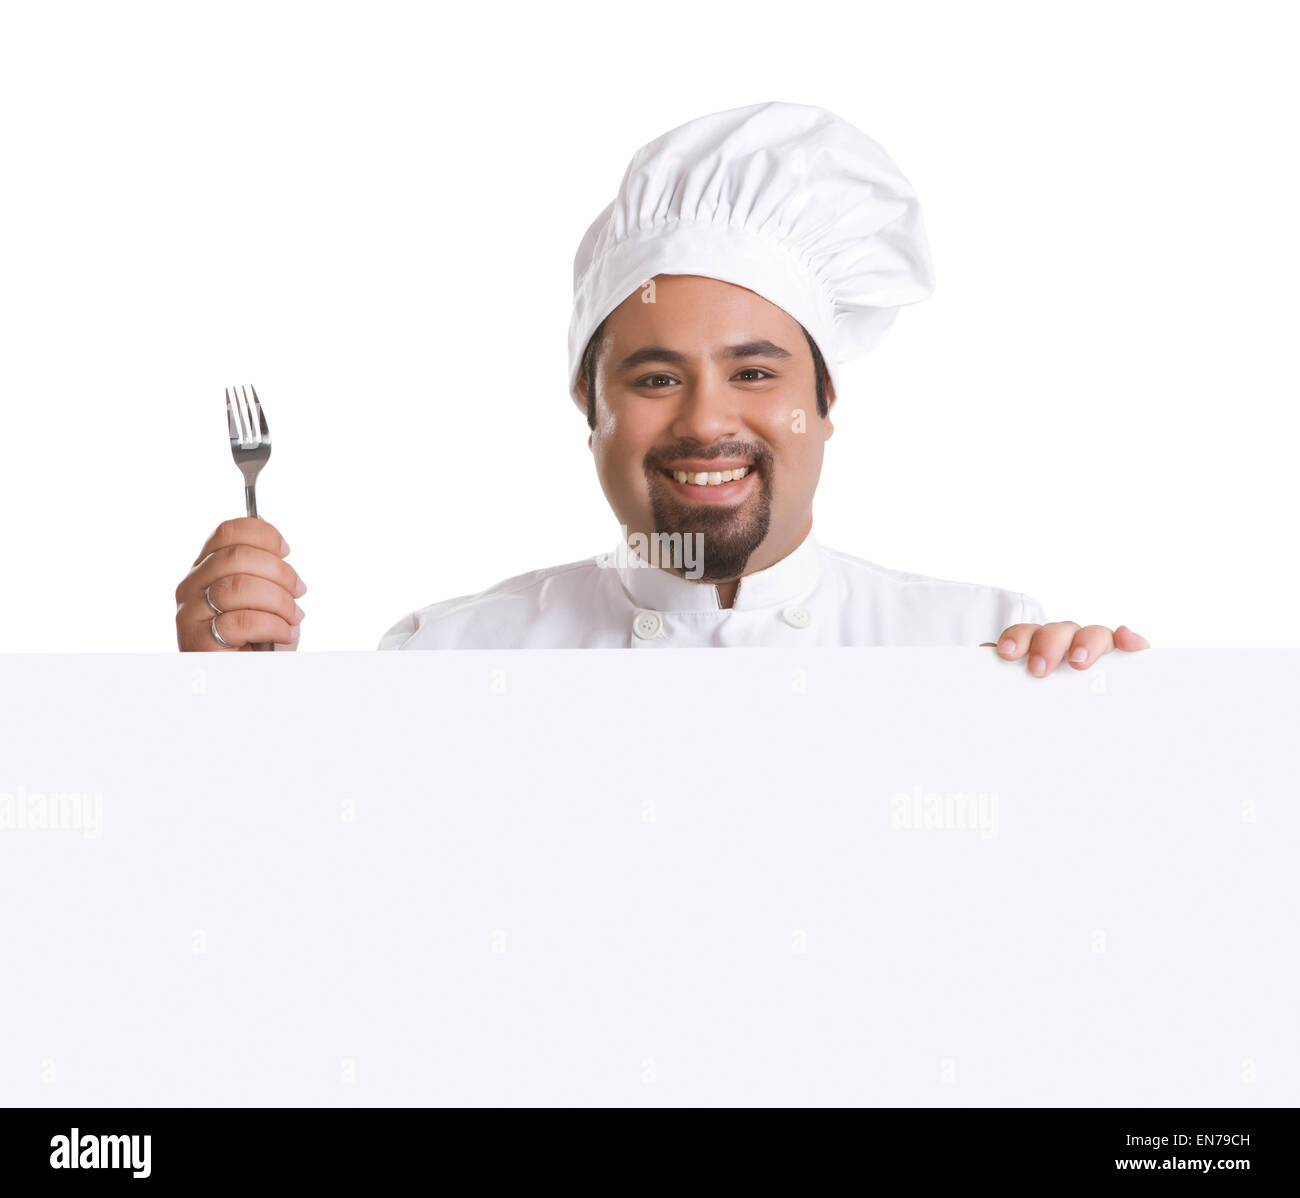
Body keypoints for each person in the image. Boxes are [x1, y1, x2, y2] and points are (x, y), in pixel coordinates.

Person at [175, 101, 1148, 676]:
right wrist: (241, 726)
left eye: (754, 370)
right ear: (587, 405)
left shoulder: (980, 647)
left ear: (826, 401)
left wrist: (1118, 745)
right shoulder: (452, 660)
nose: (706, 420)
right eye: (652, 376)